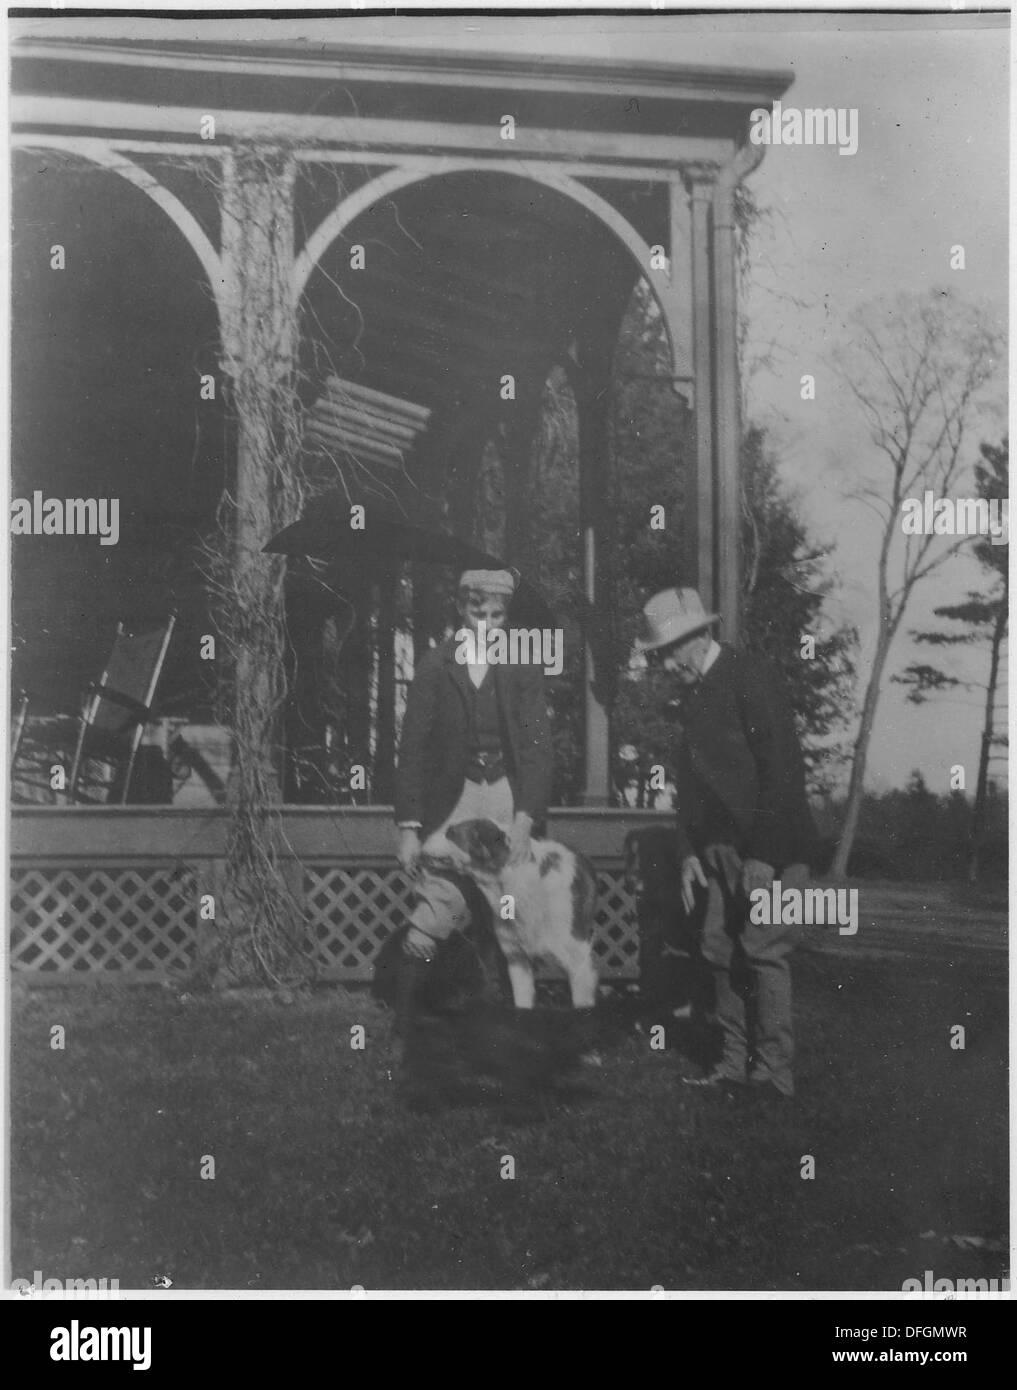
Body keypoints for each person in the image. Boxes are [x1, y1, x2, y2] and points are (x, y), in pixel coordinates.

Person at [635, 587, 820, 1099]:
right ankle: (733, 1064)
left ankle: (774, 1073)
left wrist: (764, 853)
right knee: (718, 950)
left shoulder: (750, 678)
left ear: (699, 637)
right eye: (658, 657)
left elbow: (782, 771)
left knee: (763, 950)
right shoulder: (692, 696)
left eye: (667, 653)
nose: (664, 666)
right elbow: (690, 789)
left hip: (770, 848)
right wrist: (690, 853)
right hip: (716, 851)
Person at [392, 568, 552, 1028]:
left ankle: (510, 1015)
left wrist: (525, 820)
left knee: (511, 901)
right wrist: (409, 828)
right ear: (461, 609)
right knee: (442, 897)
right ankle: (407, 1019)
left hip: (506, 794)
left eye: (497, 614)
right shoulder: (434, 665)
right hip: (454, 797)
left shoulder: (522, 667)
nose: (486, 621)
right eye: (477, 610)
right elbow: (413, 750)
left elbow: (539, 748)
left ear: (507, 617)